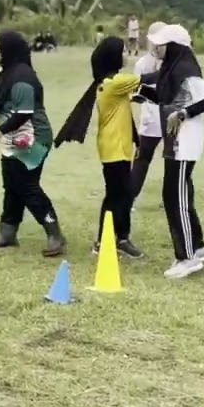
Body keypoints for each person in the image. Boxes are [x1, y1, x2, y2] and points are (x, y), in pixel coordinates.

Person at [0, 31, 67, 257]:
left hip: (34, 138)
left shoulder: (23, 78)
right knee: (11, 183)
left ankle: (54, 233)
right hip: (14, 139)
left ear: (7, 50)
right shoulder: (4, 74)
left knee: (27, 186)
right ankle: (7, 231)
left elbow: (24, 113)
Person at [53, 36, 145, 259]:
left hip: (119, 148)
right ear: (113, 57)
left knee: (123, 194)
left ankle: (121, 238)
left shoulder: (110, 83)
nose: (126, 55)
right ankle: (104, 241)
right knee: (116, 196)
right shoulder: (114, 83)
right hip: (114, 149)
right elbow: (148, 79)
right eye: (122, 52)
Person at [138, 25, 204, 279]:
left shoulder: (186, 71)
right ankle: (198, 247)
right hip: (174, 142)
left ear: (174, 46)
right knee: (177, 195)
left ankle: (186, 257)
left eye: (161, 44)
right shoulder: (170, 70)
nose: (156, 48)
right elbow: (167, 98)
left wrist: (184, 113)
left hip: (184, 143)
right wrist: (142, 93)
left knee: (176, 197)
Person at [130, 22, 167, 204]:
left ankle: (130, 199)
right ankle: (174, 199)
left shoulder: (142, 64)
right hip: (168, 117)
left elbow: (136, 92)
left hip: (151, 119)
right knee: (174, 161)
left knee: (142, 159)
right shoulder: (175, 64)